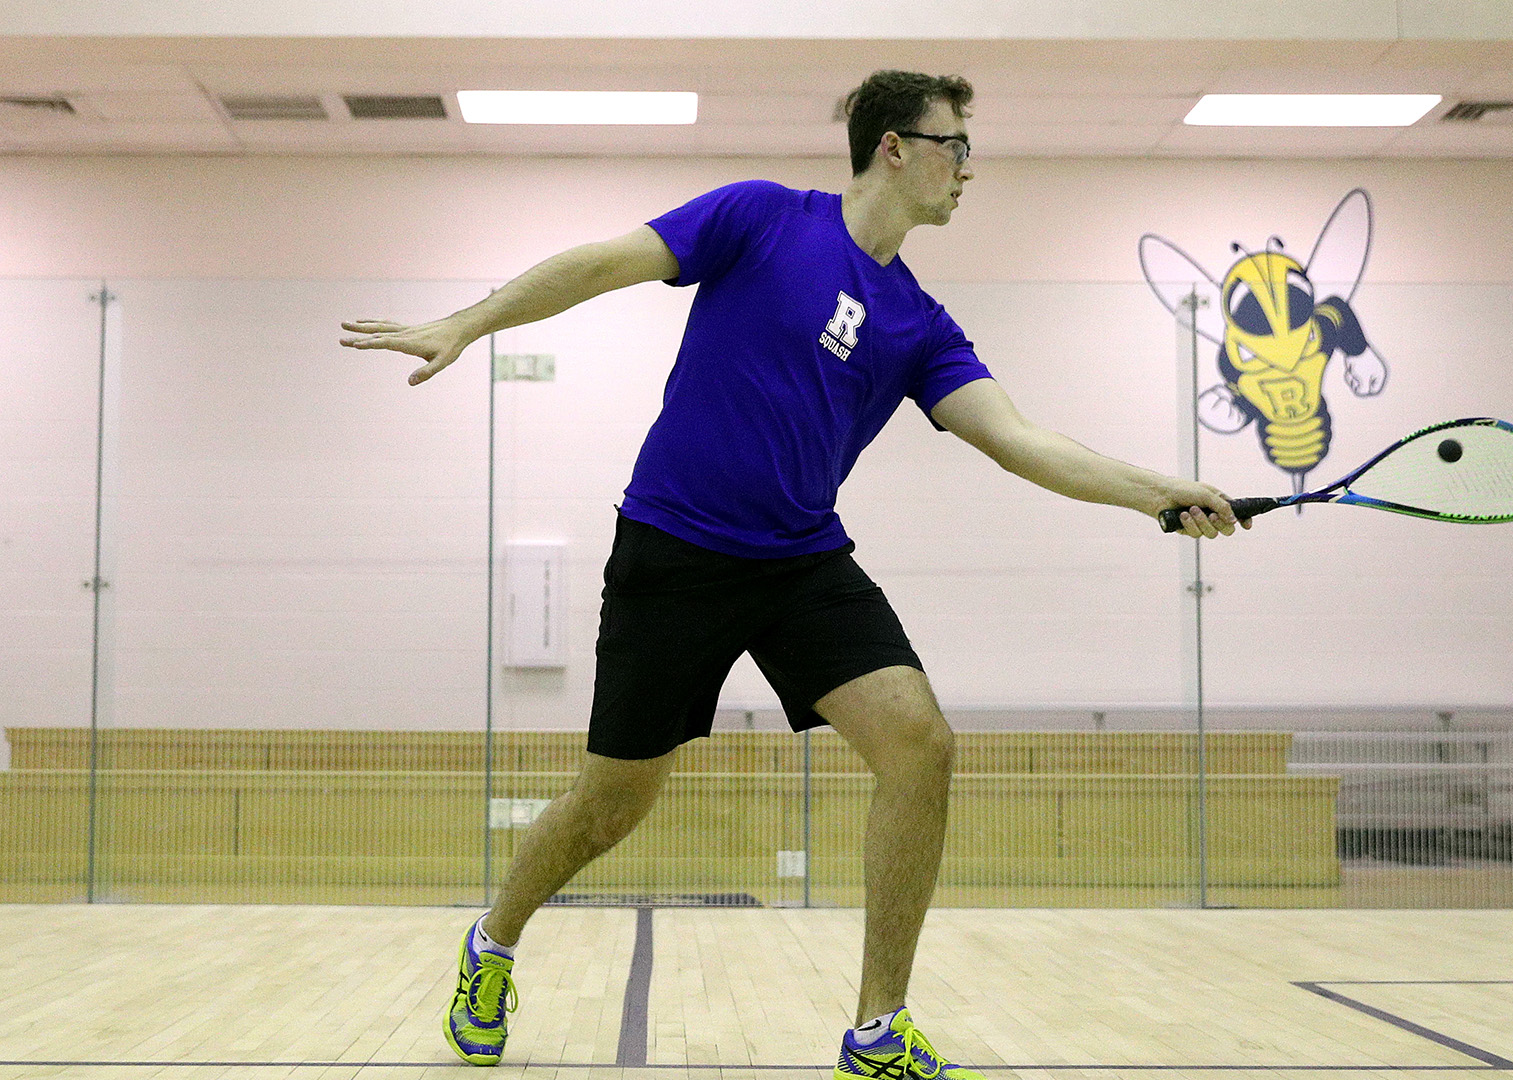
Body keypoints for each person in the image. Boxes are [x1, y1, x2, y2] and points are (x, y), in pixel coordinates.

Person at [341, 69, 1245, 1078]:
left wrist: (1156, 490)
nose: (968, 169)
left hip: (800, 560)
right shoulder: (761, 218)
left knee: (921, 746)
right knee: (611, 806)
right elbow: (603, 264)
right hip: (674, 549)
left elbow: (1017, 438)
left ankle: (876, 1030)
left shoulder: (919, 322)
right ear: (893, 147)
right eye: (954, 145)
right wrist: (471, 320)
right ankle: (494, 940)